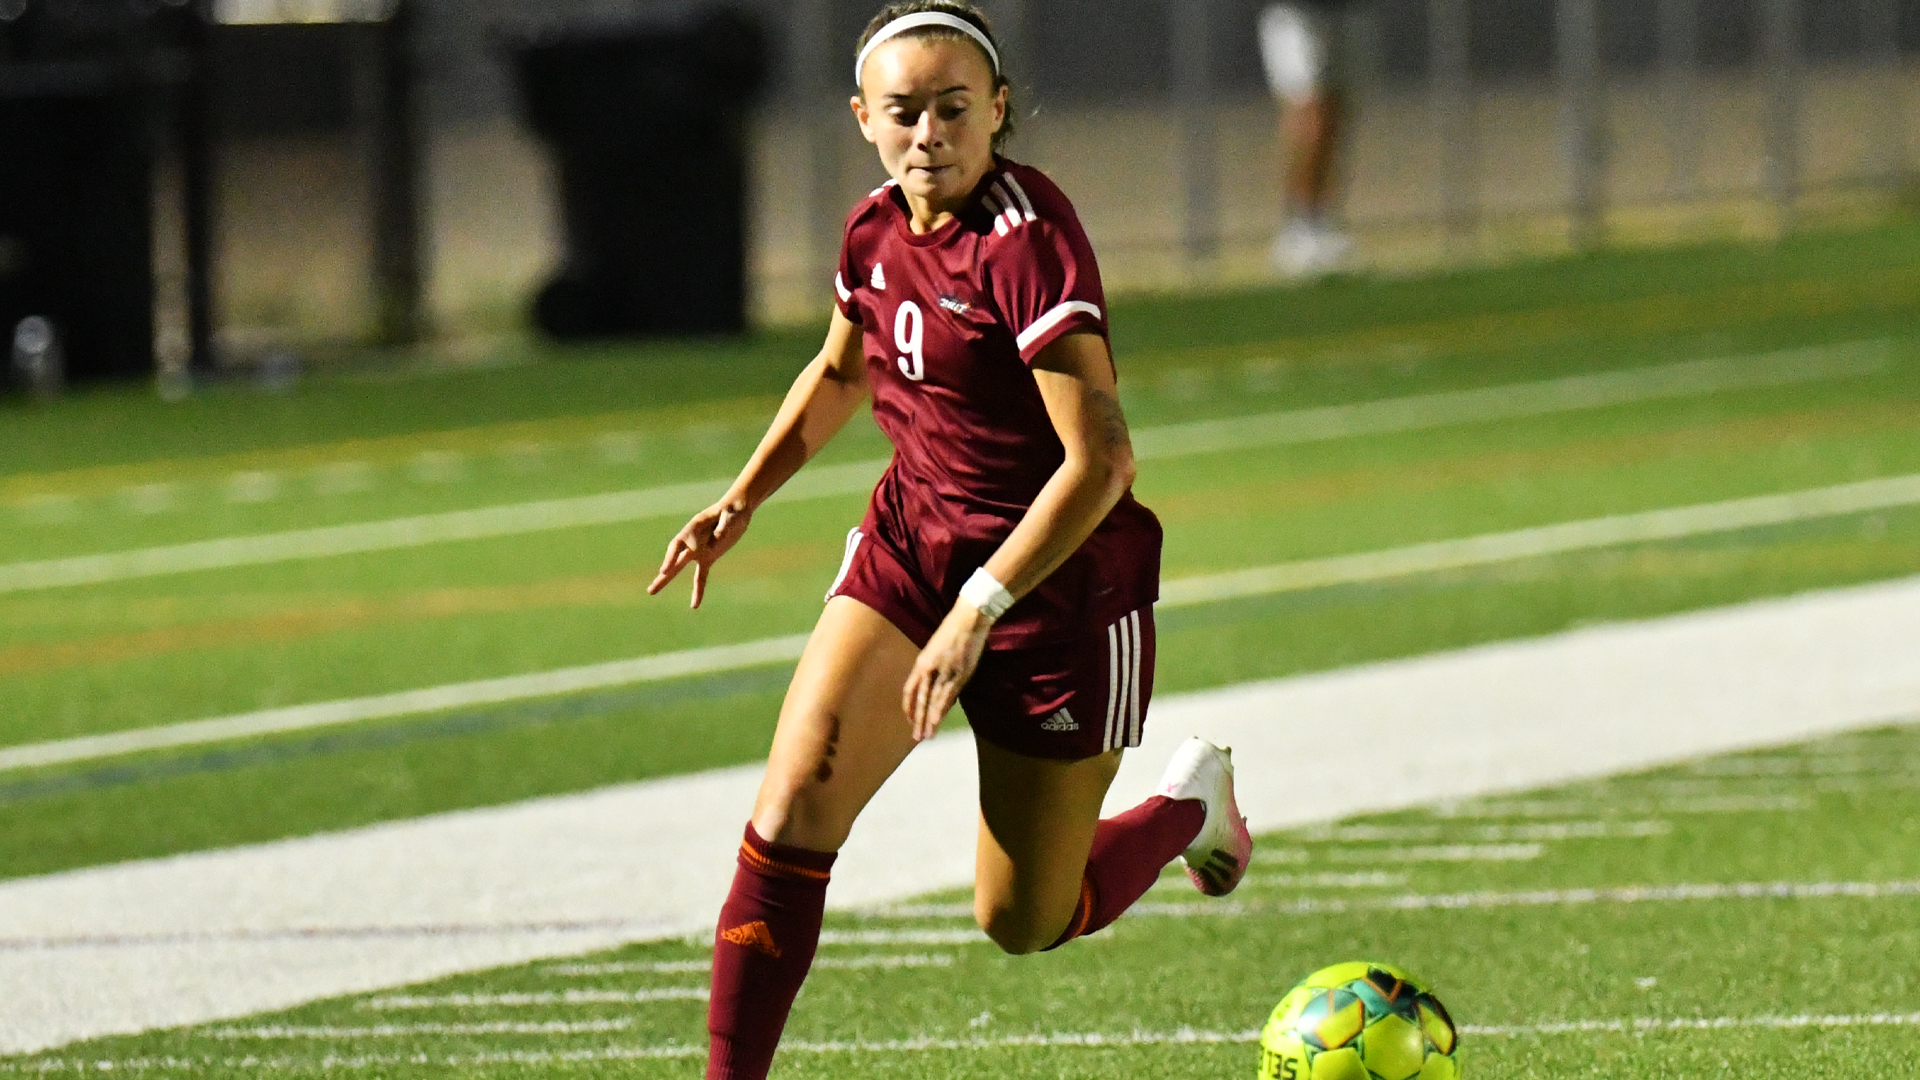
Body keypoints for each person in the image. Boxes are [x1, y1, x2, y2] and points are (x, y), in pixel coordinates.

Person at [647, 4, 1253, 1078]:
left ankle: (1187, 807)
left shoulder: (1027, 239)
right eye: (904, 111)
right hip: (913, 551)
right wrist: (742, 498)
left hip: (1058, 590)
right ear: (863, 119)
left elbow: (1102, 463)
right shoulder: (873, 229)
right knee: (791, 810)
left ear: (998, 109)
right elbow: (841, 371)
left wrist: (982, 608)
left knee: (1024, 918)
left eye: (954, 108)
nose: (928, 133)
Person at [1260, 0, 1356, 275]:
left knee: (1333, 116)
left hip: (1346, 14)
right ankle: (1298, 228)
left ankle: (1320, 223)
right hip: (1297, 15)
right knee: (1310, 111)